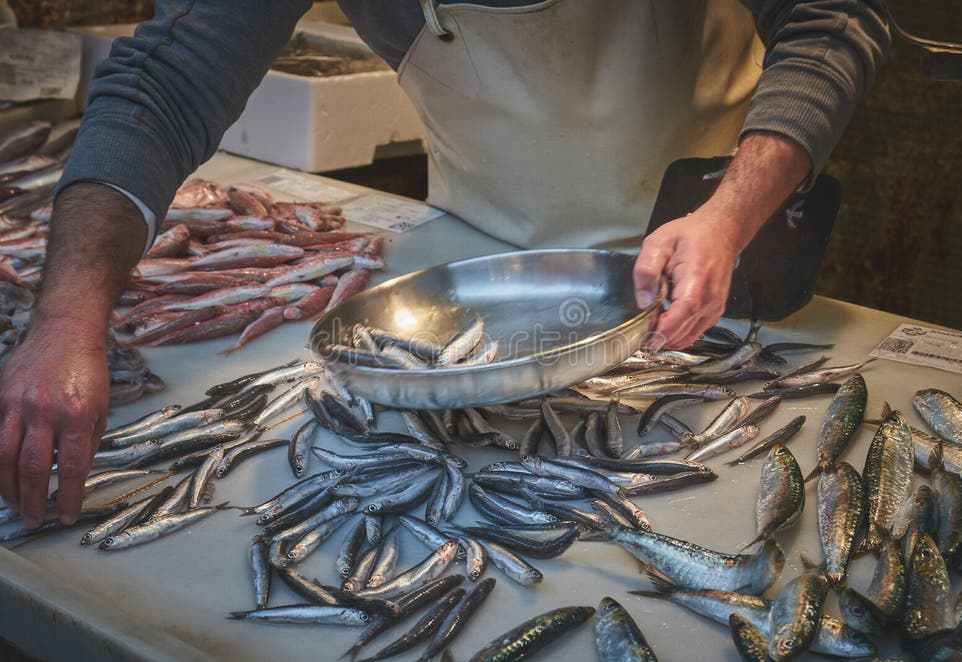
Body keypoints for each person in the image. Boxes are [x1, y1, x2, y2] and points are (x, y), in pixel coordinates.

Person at [0, 0, 888, 528]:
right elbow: (163, 81)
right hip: (479, 268)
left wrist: (729, 216)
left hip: (721, 254)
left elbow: (836, 16)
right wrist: (69, 314)